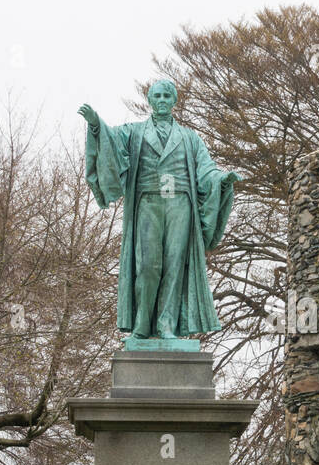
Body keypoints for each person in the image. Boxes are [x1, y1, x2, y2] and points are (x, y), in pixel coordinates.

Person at [79, 80, 240, 340]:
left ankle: (166, 325)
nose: (163, 100)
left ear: (174, 100)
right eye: (158, 96)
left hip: (180, 204)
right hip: (148, 202)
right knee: (148, 266)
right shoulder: (134, 132)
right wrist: (96, 124)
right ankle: (142, 324)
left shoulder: (190, 137)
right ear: (150, 100)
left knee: (174, 265)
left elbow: (206, 169)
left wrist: (222, 179)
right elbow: (110, 141)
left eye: (167, 95)